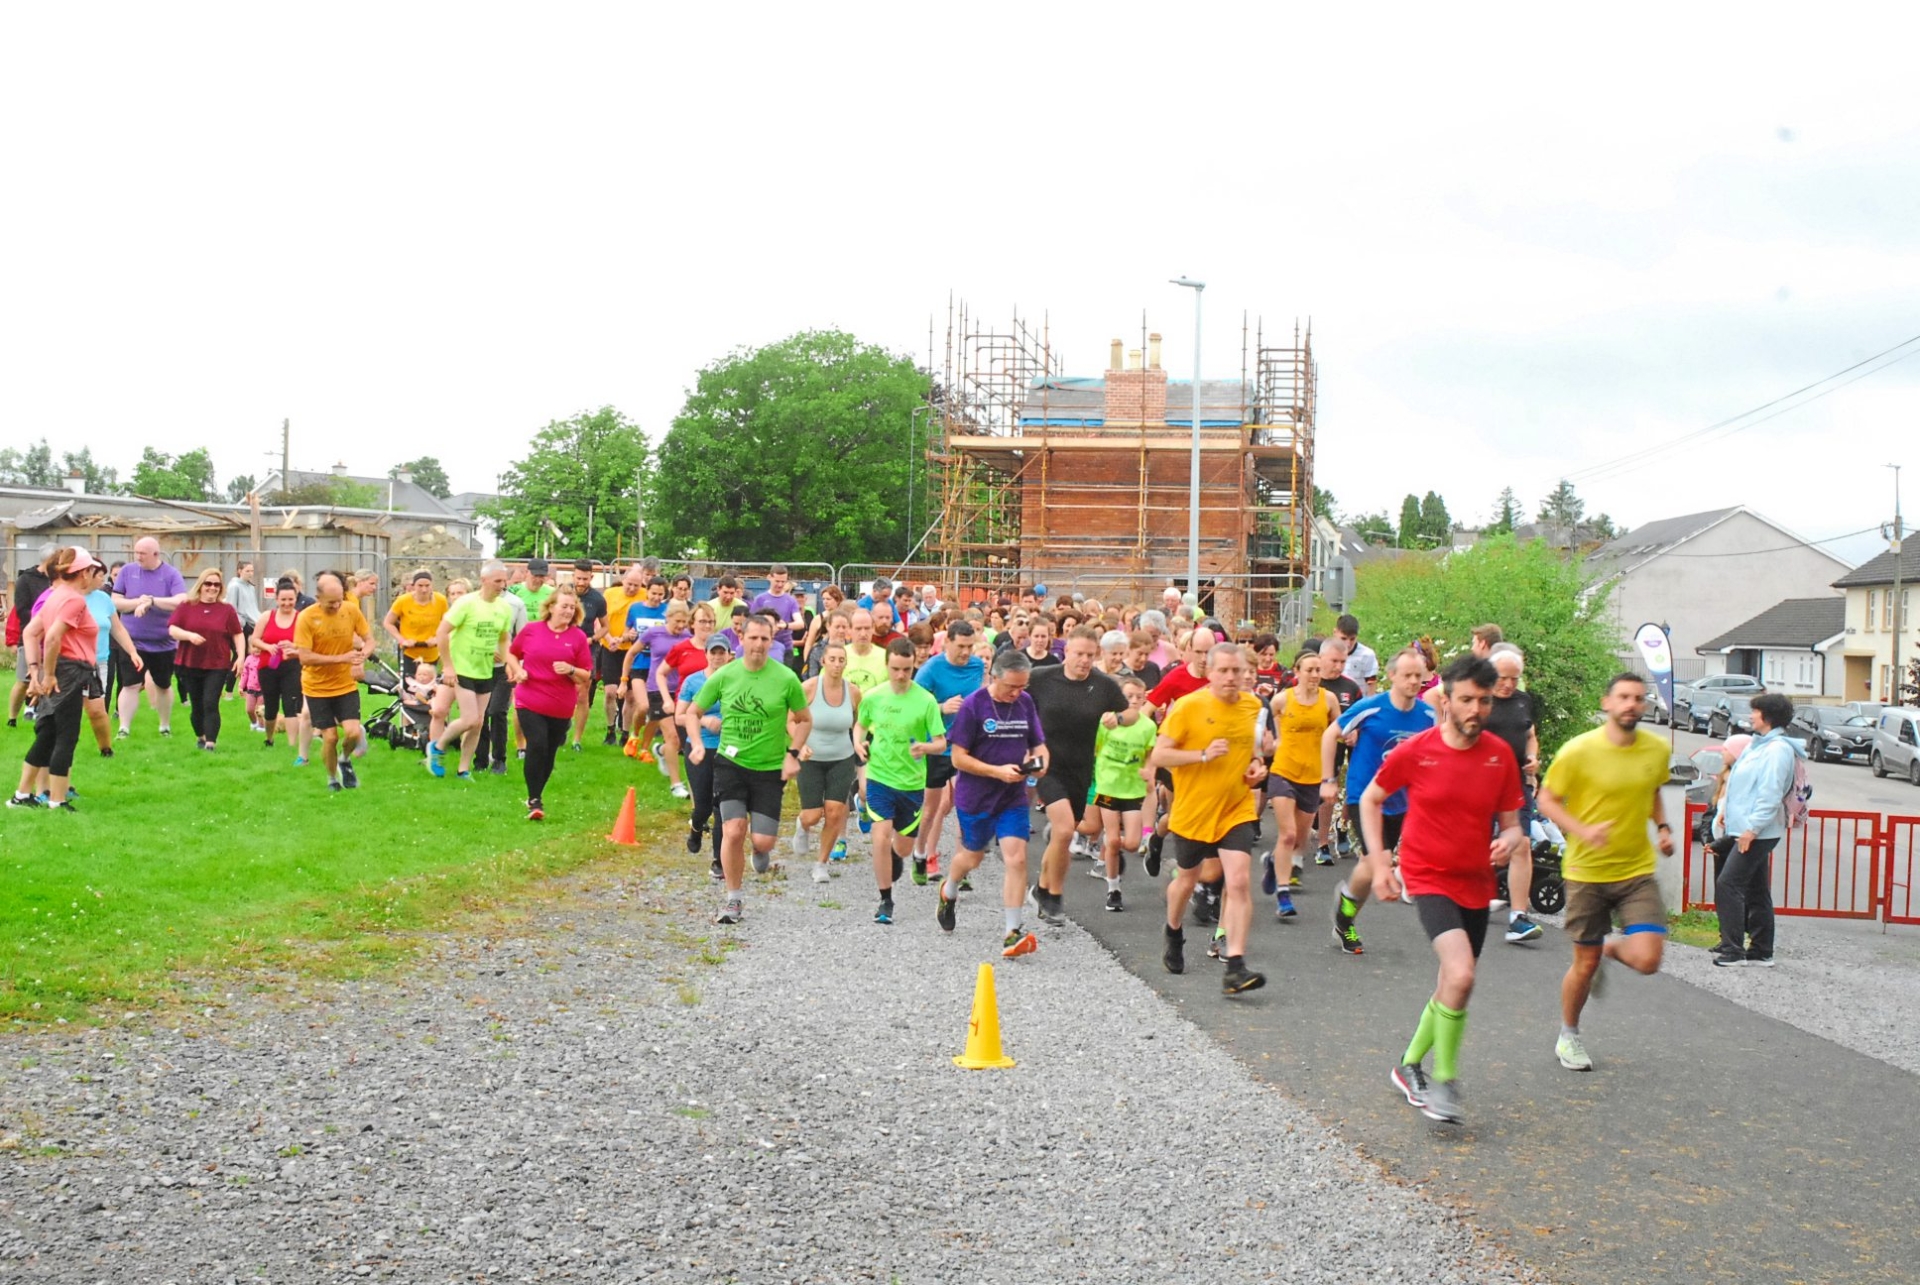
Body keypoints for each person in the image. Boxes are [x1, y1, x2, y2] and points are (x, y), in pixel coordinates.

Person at [1367, 654, 1524, 1126]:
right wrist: (1380, 864)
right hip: (1427, 873)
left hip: (1476, 879)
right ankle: (1445, 1080)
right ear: (1448, 700)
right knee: (1460, 976)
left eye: (1483, 700)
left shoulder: (1500, 755)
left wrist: (1511, 841)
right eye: (1466, 700)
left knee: (1451, 985)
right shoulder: (1418, 750)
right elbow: (1374, 799)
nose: (1476, 709)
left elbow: (1514, 826)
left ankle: (1408, 1064)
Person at [1535, 672, 1677, 1073]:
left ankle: (1610, 949)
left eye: (1638, 698)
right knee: (1583, 963)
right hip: (1587, 871)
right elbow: (1546, 799)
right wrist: (1581, 830)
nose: (1631, 704)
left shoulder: (1655, 749)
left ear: (1644, 705)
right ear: (1607, 703)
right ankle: (1569, 1036)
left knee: (1649, 960)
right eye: (1623, 697)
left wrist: (1663, 828)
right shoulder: (1579, 751)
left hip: (1636, 870)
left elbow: (1652, 790)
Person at [1151, 643, 1270, 995]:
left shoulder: (1251, 706)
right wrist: (1201, 755)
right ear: (1211, 673)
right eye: (1224, 671)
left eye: (1237, 671)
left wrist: (1256, 767)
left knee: (1238, 882)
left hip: (1235, 807)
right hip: (1193, 810)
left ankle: (1235, 965)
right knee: (1187, 881)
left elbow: (1253, 752)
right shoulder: (1189, 707)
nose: (1232, 678)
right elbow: (1160, 754)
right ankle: (1173, 931)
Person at [689, 616, 812, 926]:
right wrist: (696, 743)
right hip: (731, 764)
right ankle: (733, 899)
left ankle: (761, 851)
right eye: (753, 638)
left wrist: (793, 754)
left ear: (772, 642)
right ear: (741, 638)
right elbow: (693, 711)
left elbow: (804, 719)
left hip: (769, 768)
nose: (758, 645)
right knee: (732, 829)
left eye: (764, 639)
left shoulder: (785, 678)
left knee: (763, 840)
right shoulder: (725, 675)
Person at [1322, 649, 1436, 956]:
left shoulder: (1428, 717)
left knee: (1369, 865)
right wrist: (1328, 780)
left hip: (1400, 801)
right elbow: (1330, 734)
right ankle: (1345, 921)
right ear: (1392, 676)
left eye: (1418, 675)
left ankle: (1345, 911)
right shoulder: (1371, 708)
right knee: (1375, 861)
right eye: (1408, 675)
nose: (1414, 681)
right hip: (1364, 796)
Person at [936, 649, 1045, 958]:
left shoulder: (1025, 703)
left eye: (1023, 686)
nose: (1017, 693)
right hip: (977, 797)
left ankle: (1012, 932)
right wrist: (996, 771)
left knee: (1017, 858)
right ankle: (949, 888)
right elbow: (958, 757)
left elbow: (1038, 744)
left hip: (1012, 797)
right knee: (972, 858)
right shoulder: (973, 707)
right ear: (993, 677)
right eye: (1011, 686)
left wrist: (1040, 763)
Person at [1028, 625, 1135, 925]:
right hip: (1048, 765)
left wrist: (1119, 718)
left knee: (1062, 836)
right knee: (1063, 831)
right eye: (1079, 654)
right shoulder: (1041, 678)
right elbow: (1012, 698)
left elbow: (1132, 713)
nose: (1085, 660)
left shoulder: (1103, 685)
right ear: (1066, 653)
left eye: (1090, 655)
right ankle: (1055, 897)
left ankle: (1041, 889)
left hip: (1081, 769)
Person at [853, 639, 948, 924]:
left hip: (912, 783)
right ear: (887, 666)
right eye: (895, 669)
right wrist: (859, 744)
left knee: (903, 847)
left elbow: (941, 742)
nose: (900, 675)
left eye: (906, 669)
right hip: (880, 777)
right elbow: (860, 723)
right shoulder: (874, 696)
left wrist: (925, 747)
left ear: (913, 666)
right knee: (880, 837)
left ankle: (896, 857)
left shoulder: (926, 701)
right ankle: (885, 900)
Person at [1708, 691, 1800, 968]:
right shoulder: (1757, 745)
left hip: (1758, 832)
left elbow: (1770, 794)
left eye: (1755, 711)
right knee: (1757, 889)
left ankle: (1733, 949)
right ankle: (1761, 951)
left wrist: (1751, 829)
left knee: (1728, 883)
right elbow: (1741, 783)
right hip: (1745, 827)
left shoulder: (1778, 750)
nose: (1750, 715)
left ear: (1767, 717)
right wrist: (1727, 813)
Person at [10, 548, 104, 811]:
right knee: (66, 736)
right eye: (91, 571)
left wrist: (36, 669)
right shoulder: (74, 600)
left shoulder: (54, 595)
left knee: (48, 734)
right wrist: (47, 674)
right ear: (83, 573)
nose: (93, 576)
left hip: (60, 670)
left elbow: (30, 632)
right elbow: (51, 637)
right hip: (69, 672)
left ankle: (21, 796)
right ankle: (57, 800)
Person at [1264, 650, 1336, 919]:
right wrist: (1269, 741)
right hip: (1283, 770)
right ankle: (1283, 895)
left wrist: (1347, 739)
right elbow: (1262, 721)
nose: (1315, 675)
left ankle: (1273, 862)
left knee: (1301, 839)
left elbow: (1336, 730)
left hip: (1312, 776)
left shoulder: (1328, 700)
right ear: (1297, 672)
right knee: (1288, 834)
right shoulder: (1282, 700)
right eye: (1310, 670)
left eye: (1318, 670)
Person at [509, 586, 591, 821]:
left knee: (550, 751)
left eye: (572, 607)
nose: (567, 611)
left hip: (561, 704)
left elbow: (585, 674)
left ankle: (537, 794)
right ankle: (535, 800)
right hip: (529, 698)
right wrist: (518, 670)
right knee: (537, 744)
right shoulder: (532, 630)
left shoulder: (577, 637)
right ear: (551, 607)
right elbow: (512, 653)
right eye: (563, 606)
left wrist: (571, 669)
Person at [428, 562, 515, 781]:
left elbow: (504, 638)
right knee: (468, 718)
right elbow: (442, 632)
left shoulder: (504, 607)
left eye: (504, 581)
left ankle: (463, 769)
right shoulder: (466, 603)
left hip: (485, 670)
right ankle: (437, 748)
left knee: (477, 722)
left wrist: (509, 663)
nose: (502, 586)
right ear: (484, 580)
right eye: (497, 581)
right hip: (462, 668)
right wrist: (447, 666)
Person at [912, 619, 984, 879]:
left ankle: (959, 867)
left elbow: (982, 699)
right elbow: (914, 707)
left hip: (966, 748)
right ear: (947, 643)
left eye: (970, 646)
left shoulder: (977, 666)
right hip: (938, 748)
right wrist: (941, 708)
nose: (966, 652)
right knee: (934, 807)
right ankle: (922, 854)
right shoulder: (931, 669)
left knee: (964, 805)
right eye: (961, 647)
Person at [292, 570, 373, 792]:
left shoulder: (351, 610)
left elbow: (369, 640)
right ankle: (331, 778)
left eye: (339, 601)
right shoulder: (307, 617)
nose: (337, 606)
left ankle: (345, 760)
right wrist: (342, 658)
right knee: (330, 737)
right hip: (317, 687)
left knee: (354, 733)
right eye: (331, 603)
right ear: (318, 598)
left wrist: (359, 659)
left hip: (345, 683)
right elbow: (305, 656)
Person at [1484, 647, 1545, 942]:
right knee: (1476, 844)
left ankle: (1518, 917)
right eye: (1503, 678)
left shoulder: (1523, 701)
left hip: (1515, 783)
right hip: (1480, 781)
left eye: (1514, 678)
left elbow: (1530, 735)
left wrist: (1533, 757)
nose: (1508, 684)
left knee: (1521, 843)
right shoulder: (1479, 699)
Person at [793, 639, 860, 881]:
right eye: (832, 659)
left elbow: (859, 723)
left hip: (842, 758)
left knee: (834, 812)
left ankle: (821, 863)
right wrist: (800, 746)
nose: (837, 664)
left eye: (841, 660)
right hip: (811, 758)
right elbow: (790, 720)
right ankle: (802, 825)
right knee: (813, 815)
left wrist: (860, 744)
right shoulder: (809, 688)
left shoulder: (852, 692)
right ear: (823, 661)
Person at [1091, 675, 1157, 912]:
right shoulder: (1107, 722)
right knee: (1113, 839)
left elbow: (1151, 755)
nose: (1134, 701)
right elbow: (1095, 749)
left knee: (1130, 843)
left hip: (1132, 790)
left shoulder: (1148, 726)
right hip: (1108, 786)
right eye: (1128, 696)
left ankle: (1115, 852)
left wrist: (1149, 773)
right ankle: (1113, 889)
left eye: (1139, 697)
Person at [111, 537, 188, 737]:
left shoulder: (171, 574)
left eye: (142, 553)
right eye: (136, 552)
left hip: (163, 643)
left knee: (163, 684)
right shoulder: (127, 572)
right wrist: (138, 602)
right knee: (130, 684)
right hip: (132, 643)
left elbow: (181, 600)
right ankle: (123, 728)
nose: (138, 557)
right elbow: (116, 601)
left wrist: (152, 601)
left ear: (155, 554)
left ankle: (164, 726)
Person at [166, 568, 245, 750]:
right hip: (190, 663)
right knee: (197, 704)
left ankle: (211, 742)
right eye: (208, 584)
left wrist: (241, 656)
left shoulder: (226, 610)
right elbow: (172, 629)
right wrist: (189, 636)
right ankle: (200, 736)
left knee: (211, 702)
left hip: (217, 664)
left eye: (216, 585)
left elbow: (237, 634)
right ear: (200, 585)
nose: (212, 588)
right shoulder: (187, 606)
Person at [677, 638, 736, 872]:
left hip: (730, 749)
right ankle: (696, 827)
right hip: (699, 745)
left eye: (722, 653)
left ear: (730, 655)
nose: (718, 657)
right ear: (706, 654)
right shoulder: (694, 681)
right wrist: (704, 720)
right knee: (702, 805)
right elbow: (679, 716)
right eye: (714, 652)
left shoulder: (736, 681)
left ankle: (719, 861)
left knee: (723, 806)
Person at [625, 600, 693, 797]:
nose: (680, 626)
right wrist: (623, 679)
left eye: (684, 622)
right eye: (677, 621)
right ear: (668, 617)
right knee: (671, 736)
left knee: (679, 741)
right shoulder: (653, 633)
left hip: (681, 691)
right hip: (657, 689)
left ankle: (662, 751)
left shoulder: (688, 637)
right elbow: (631, 653)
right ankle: (676, 785)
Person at [7, 543, 58, 728]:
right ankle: (12, 717)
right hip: (30, 637)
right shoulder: (26, 580)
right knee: (23, 680)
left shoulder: (57, 579)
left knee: (47, 677)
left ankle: (41, 715)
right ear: (50, 560)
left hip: (52, 637)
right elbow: (21, 610)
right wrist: (45, 620)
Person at [253, 581, 305, 752]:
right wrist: (268, 647)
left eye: (290, 599)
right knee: (271, 705)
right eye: (283, 600)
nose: (287, 603)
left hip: (292, 666)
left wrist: (293, 646)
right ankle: (269, 738)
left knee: (291, 704)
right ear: (276, 599)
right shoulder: (267, 616)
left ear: (296, 599)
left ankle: (291, 745)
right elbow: (254, 639)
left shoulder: (301, 618)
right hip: (268, 667)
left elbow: (308, 644)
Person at [596, 565, 644, 745]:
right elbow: (600, 621)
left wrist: (629, 636)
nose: (632, 589)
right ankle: (610, 731)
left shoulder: (645, 596)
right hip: (610, 648)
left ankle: (625, 733)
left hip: (632, 650)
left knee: (630, 696)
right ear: (623, 581)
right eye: (629, 584)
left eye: (636, 585)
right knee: (610, 692)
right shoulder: (610, 594)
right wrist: (610, 639)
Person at [567, 560, 607, 751]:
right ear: (573, 576)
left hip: (587, 647)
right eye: (578, 578)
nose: (581, 582)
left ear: (591, 577)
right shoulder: (563, 593)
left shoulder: (597, 599)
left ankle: (576, 739)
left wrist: (592, 639)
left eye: (585, 578)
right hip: (564, 644)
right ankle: (560, 727)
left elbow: (605, 627)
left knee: (582, 693)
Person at [383, 570, 448, 668]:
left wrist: (437, 639)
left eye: (427, 586)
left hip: (431, 651)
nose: (424, 590)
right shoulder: (403, 601)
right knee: (409, 681)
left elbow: (448, 624)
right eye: (420, 586)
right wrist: (402, 640)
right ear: (414, 586)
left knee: (429, 681)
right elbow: (388, 622)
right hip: (409, 651)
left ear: (432, 586)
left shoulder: (440, 600)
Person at [750, 564, 805, 657]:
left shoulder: (790, 600)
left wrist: (785, 626)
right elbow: (750, 622)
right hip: (764, 647)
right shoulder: (760, 599)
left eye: (783, 582)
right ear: (769, 577)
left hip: (786, 647)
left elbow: (800, 623)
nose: (780, 585)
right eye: (777, 581)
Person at [1334, 614, 1379, 696]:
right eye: (1343, 638)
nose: (1348, 644)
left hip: (1358, 702)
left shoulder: (1367, 655)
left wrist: (1369, 705)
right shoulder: (1327, 652)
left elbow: (1371, 684)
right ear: (1335, 633)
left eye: (1352, 639)